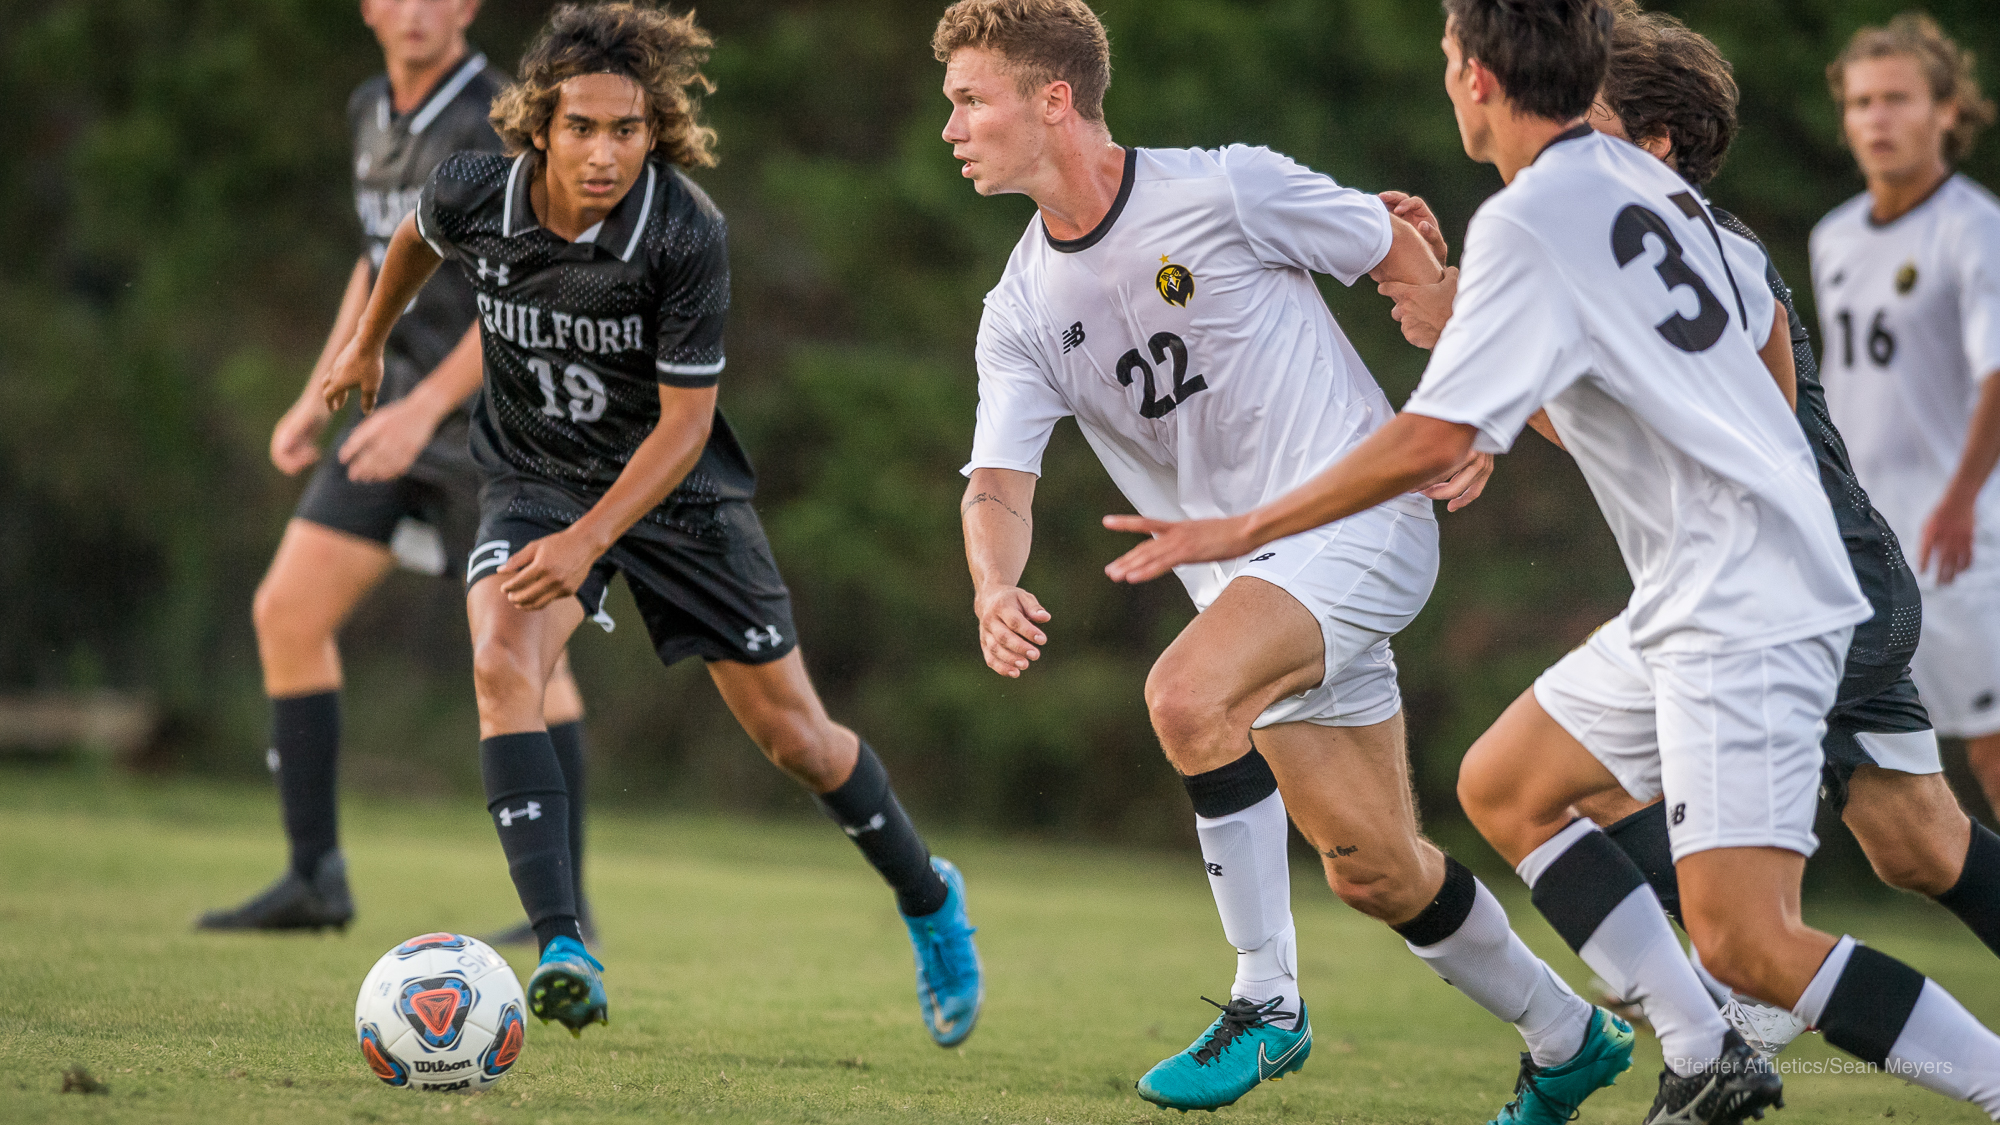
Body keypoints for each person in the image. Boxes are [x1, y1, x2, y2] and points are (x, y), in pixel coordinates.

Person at [1102, 1, 2000, 1121]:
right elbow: (1739, 343)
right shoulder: (1657, 194)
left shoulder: (1531, 219)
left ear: (1478, 79)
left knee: (1754, 941)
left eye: (1444, 59)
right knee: (1504, 784)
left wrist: (1241, 530)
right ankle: (1702, 1052)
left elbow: (1431, 432)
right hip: (1712, 581)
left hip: (1744, 598)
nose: (1443, 78)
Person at [939, 1, 1633, 1118]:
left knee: (1182, 693)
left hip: (1362, 526)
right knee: (1373, 869)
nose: (953, 127)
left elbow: (1400, 255)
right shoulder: (1017, 310)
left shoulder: (1224, 187)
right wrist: (991, 581)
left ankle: (1264, 1003)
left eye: (970, 99)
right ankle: (1566, 1036)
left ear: (1051, 100)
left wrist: (1468, 421)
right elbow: (997, 485)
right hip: (1252, 590)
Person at [320, 2, 982, 1045]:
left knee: (798, 742)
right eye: (580, 127)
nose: (602, 151)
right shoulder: (473, 189)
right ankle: (563, 943)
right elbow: (412, 240)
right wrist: (368, 340)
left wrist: (593, 541)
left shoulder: (681, 230)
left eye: (625, 130)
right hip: (535, 476)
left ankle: (927, 899)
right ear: (539, 124)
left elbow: (684, 427)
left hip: (682, 503)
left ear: (653, 131)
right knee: (502, 665)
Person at [1380, 1, 2000, 1062]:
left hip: (1800, 577)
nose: (1566, 124)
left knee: (1576, 789)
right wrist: (1475, 382)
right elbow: (1623, 419)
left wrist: (1460, 355)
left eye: (1592, 109)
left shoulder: (1687, 237)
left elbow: (1699, 437)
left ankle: (1729, 997)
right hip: (1822, 567)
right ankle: (1726, 992)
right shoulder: (1629, 237)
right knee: (1917, 846)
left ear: (1657, 143)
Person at [198, 0, 597, 941]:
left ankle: (562, 918)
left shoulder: (503, 119)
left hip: (501, 428)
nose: (416, 11)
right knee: (287, 612)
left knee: (534, 663)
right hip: (392, 413)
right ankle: (315, 877)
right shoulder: (368, 109)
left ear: (467, 8)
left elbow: (527, 290)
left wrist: (425, 407)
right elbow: (381, 259)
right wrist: (321, 386)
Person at [1811, 13, 2000, 815]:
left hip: (1966, 535)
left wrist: (1960, 500)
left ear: (1947, 111)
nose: (1876, 119)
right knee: (1880, 760)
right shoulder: (1835, 237)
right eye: (1861, 102)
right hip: (1868, 542)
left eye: (1897, 99)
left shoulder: (1976, 228)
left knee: (1990, 746)